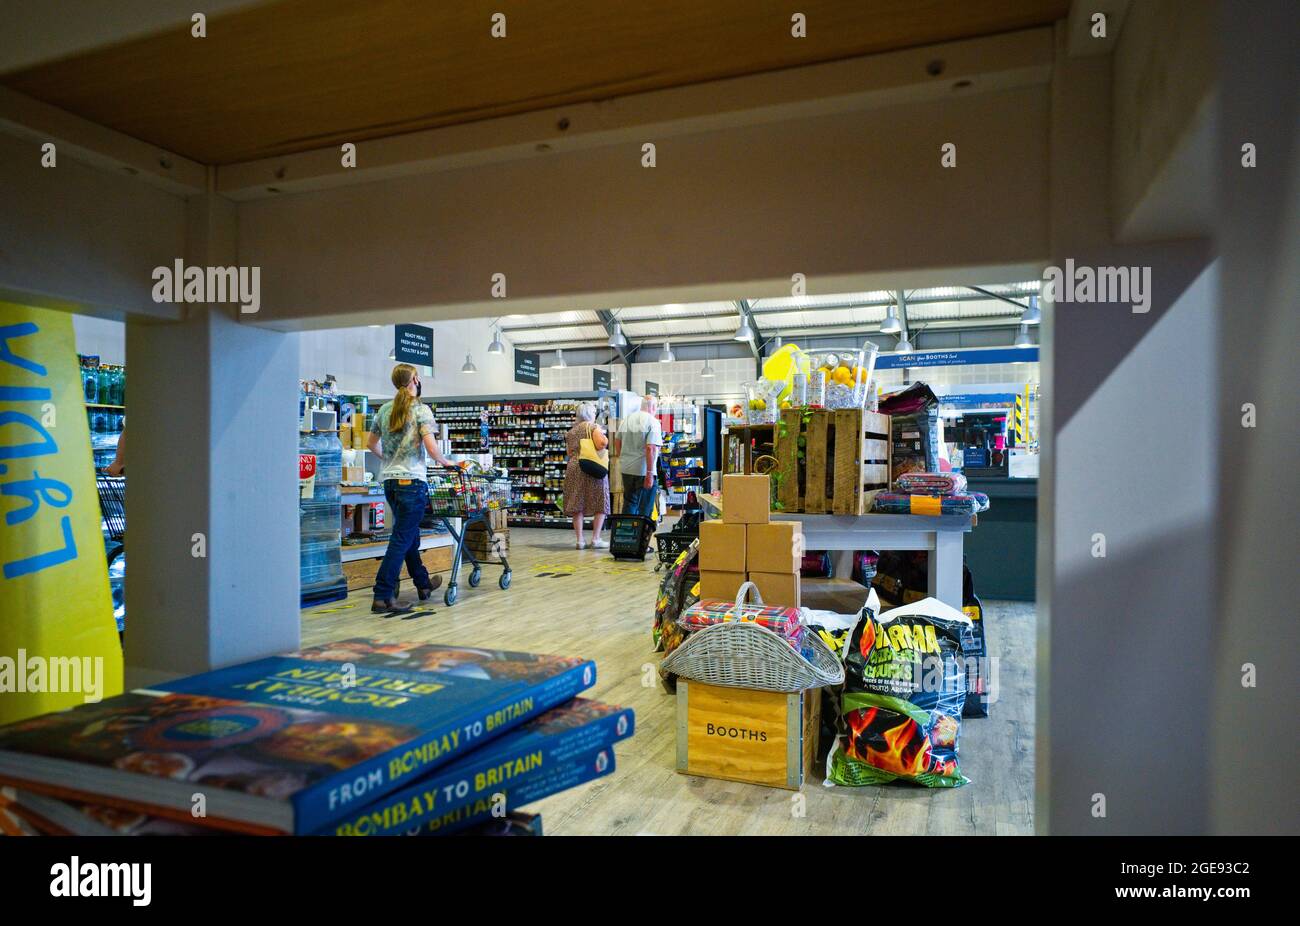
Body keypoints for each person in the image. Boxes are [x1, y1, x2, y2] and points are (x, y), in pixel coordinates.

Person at [366, 363, 454, 614]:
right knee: (402, 539)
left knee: (409, 537)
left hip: (391, 483)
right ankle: (382, 596)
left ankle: (423, 584)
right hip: (412, 482)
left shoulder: (384, 410)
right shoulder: (421, 410)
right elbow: (431, 446)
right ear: (414, 379)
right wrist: (446, 462)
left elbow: (371, 443)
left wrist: (389, 461)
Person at [562, 403, 611, 549]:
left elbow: (569, 452)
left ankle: (580, 540)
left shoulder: (571, 431)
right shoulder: (593, 427)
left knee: (577, 503)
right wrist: (605, 437)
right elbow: (601, 443)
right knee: (600, 501)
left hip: (574, 467)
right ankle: (596, 539)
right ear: (591, 414)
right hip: (592, 465)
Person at [616, 394, 662, 521]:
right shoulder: (653, 422)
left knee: (629, 503)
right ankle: (642, 537)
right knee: (645, 508)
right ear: (652, 406)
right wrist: (649, 473)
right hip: (643, 471)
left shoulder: (626, 419)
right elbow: (651, 448)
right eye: (656, 406)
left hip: (626, 469)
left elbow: (617, 441)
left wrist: (623, 459)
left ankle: (628, 534)